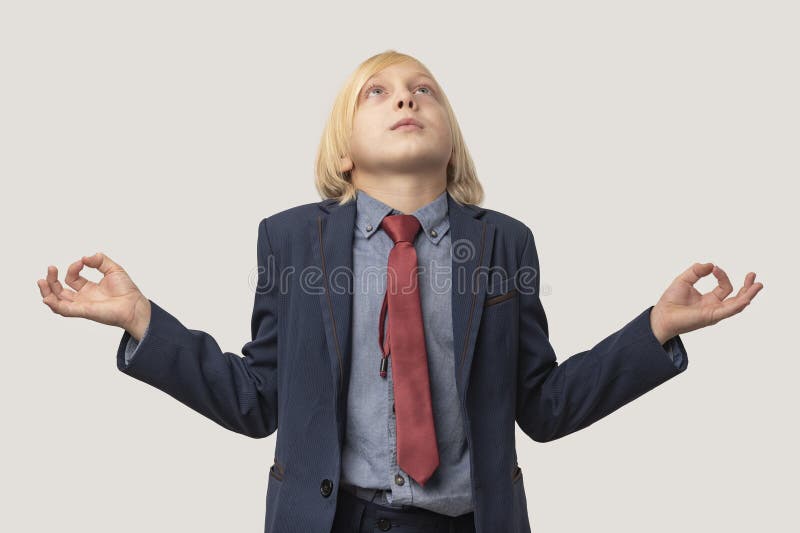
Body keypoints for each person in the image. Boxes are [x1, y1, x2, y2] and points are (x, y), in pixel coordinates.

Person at [37, 50, 764, 533]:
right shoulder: (292, 241)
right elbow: (257, 398)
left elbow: (541, 404)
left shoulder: (503, 243)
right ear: (344, 151)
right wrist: (141, 320)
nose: (405, 99)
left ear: (452, 140)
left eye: (425, 91)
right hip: (331, 519)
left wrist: (657, 330)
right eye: (377, 92)